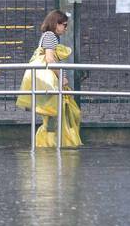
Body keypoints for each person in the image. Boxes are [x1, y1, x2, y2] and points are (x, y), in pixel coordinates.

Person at [17, 9, 82, 147]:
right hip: (49, 82)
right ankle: (50, 144)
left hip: (46, 81)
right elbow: (50, 59)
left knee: (52, 114)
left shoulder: (48, 36)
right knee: (53, 114)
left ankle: (51, 142)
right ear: (55, 23)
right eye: (64, 25)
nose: (65, 28)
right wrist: (61, 77)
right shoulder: (50, 36)